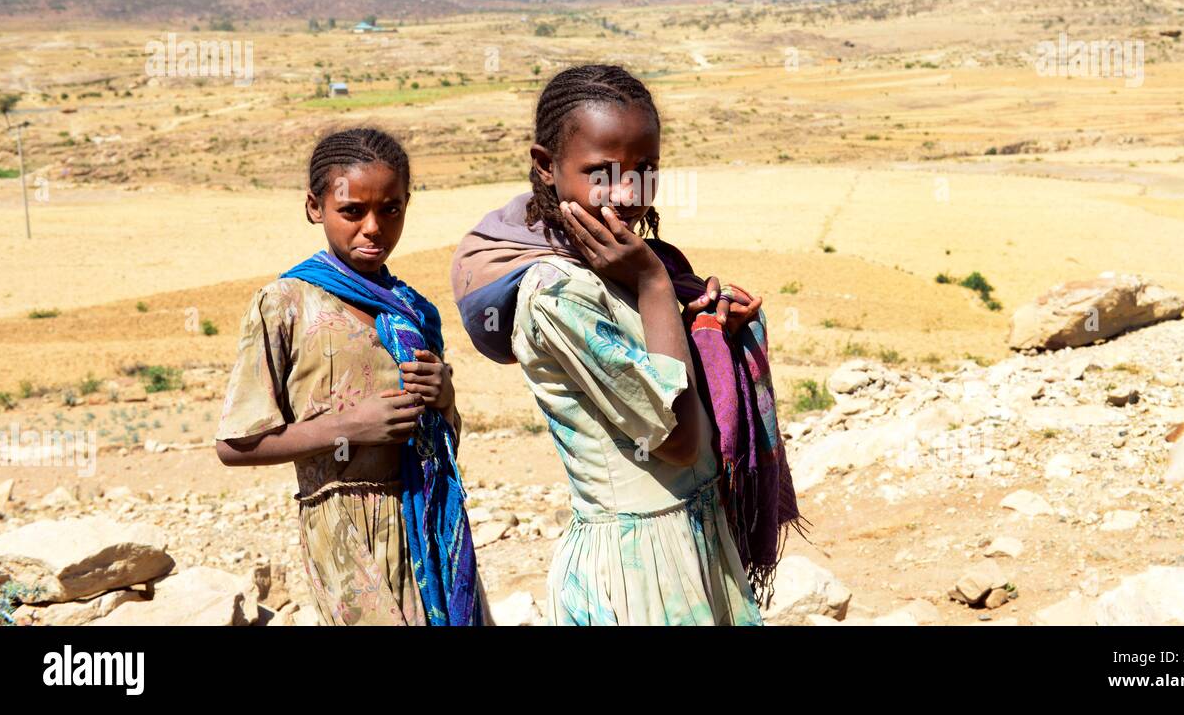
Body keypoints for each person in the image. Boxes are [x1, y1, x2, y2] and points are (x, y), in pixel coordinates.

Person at [453, 65, 800, 625]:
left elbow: (676, 372)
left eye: (646, 171)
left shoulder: (632, 263)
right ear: (546, 166)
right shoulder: (559, 292)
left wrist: (714, 333)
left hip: (692, 542)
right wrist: (655, 288)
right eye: (601, 172)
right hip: (639, 572)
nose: (626, 193)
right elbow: (679, 439)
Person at [216, 126, 486, 625]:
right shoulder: (286, 304)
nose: (373, 228)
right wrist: (348, 429)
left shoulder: (414, 312)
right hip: (343, 529)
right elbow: (235, 444)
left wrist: (444, 398)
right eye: (351, 211)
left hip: (426, 519)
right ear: (314, 208)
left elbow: (444, 443)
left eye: (391, 209)